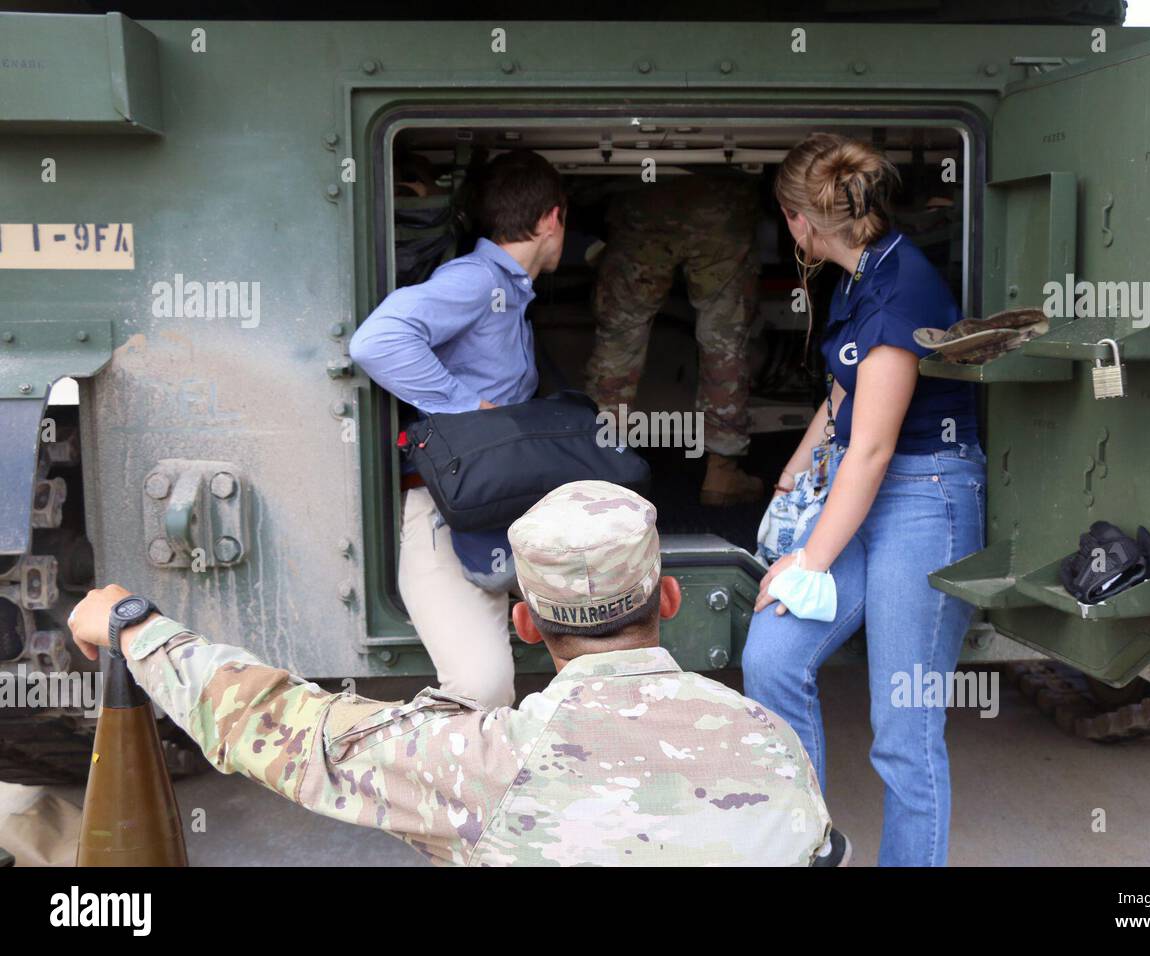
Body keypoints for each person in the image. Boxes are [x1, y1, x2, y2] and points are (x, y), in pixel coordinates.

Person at [68, 481, 834, 866]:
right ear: (668, 597)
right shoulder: (770, 740)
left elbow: (287, 731)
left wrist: (135, 626)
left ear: (526, 624)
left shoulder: (482, 763)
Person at [741, 133, 984, 867]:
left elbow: (875, 447)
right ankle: (807, 847)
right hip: (863, 488)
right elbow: (844, 395)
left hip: (925, 500)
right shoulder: (858, 275)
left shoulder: (902, 283)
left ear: (798, 222)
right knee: (773, 659)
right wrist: (794, 465)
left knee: (904, 728)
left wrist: (808, 561)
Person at [349, 149, 566, 710]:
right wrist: (469, 408)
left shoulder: (511, 291)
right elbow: (377, 342)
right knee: (481, 687)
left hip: (507, 504)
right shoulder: (475, 279)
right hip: (447, 507)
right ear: (552, 220)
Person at [586, 173, 765, 505]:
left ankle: (604, 469)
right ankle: (721, 471)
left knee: (620, 336)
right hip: (719, 201)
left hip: (642, 198)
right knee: (723, 339)